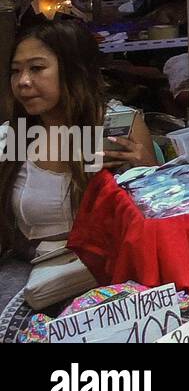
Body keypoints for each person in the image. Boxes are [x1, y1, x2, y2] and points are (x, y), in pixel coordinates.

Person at [0, 17, 156, 309]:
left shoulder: (112, 127)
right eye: (15, 71)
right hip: (33, 280)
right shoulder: (17, 136)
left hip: (104, 286)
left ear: (73, 70)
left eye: (36, 68)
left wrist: (146, 175)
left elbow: (150, 219)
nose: (23, 81)